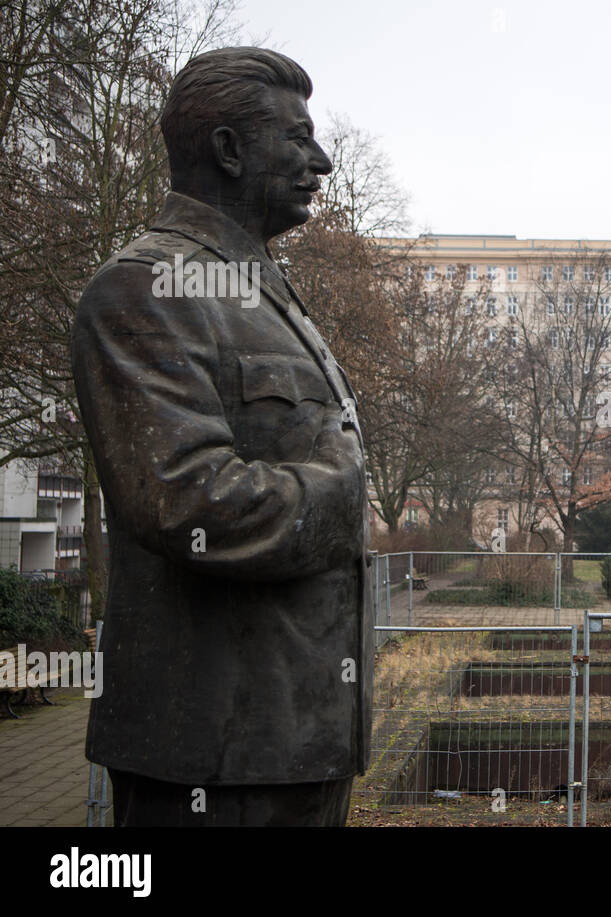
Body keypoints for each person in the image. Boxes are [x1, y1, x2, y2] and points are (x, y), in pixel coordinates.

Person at [71, 47, 371, 826]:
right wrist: (337, 498)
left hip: (298, 742)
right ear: (229, 150)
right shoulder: (144, 285)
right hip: (212, 760)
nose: (322, 162)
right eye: (297, 138)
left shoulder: (261, 290)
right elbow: (184, 497)